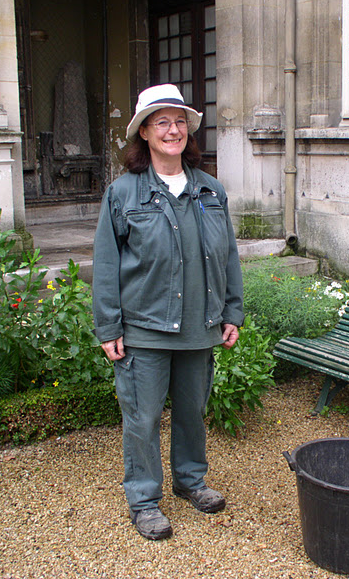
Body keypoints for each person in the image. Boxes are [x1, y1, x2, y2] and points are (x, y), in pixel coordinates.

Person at [92, 84, 244, 540]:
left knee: (193, 411)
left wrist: (231, 311)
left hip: (200, 324)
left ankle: (191, 481)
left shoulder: (210, 190)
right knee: (142, 417)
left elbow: (229, 255)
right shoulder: (123, 193)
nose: (172, 129)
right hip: (144, 329)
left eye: (179, 121)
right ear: (144, 132)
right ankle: (143, 500)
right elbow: (105, 264)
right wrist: (108, 325)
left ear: (189, 131)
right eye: (161, 122)